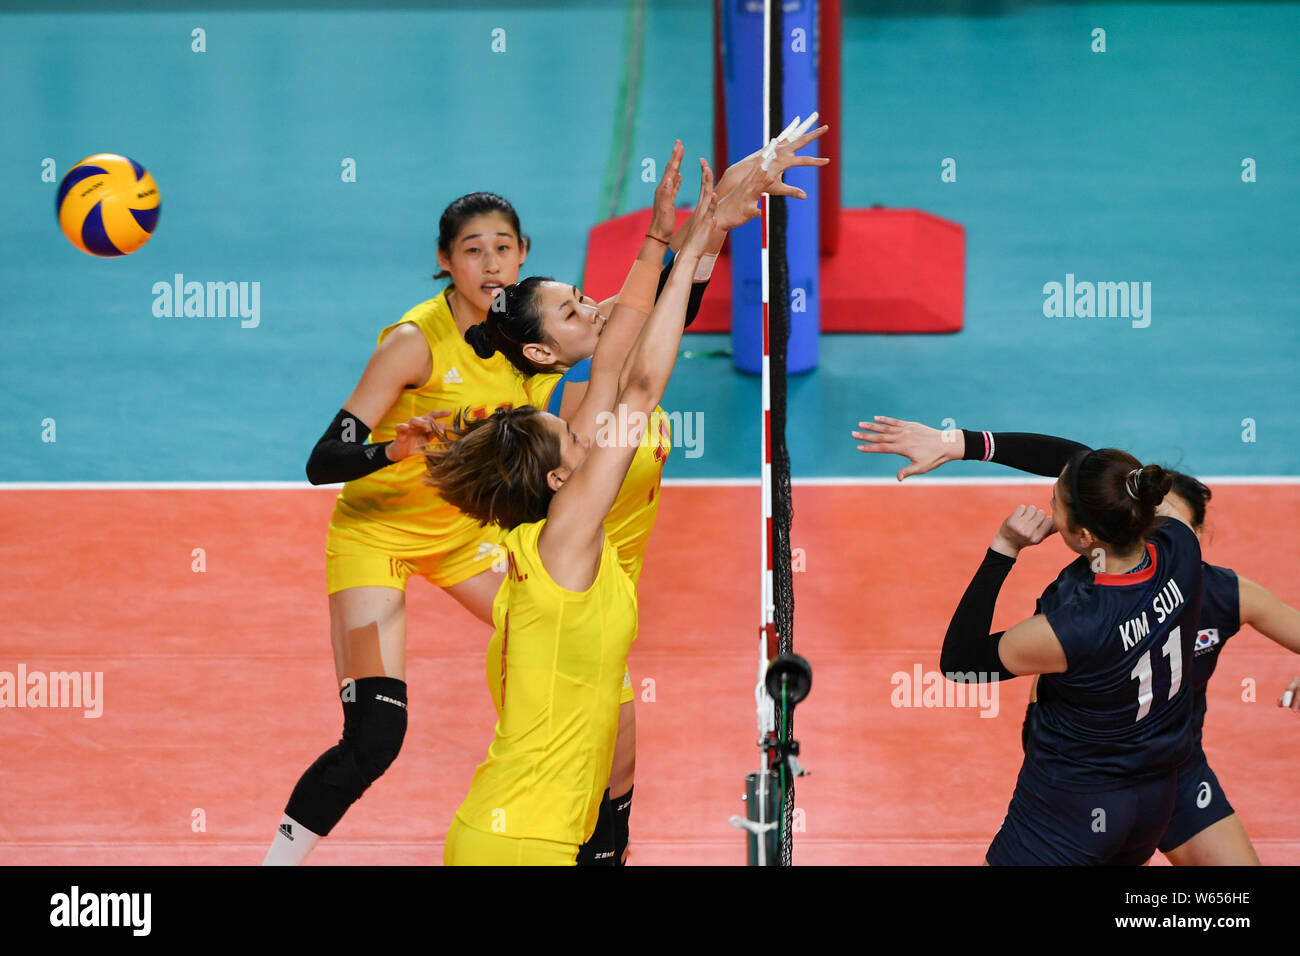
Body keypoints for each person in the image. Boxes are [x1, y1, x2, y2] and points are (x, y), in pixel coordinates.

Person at [261, 178, 699, 866]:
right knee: (375, 736)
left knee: (592, 662)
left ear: (523, 254)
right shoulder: (416, 344)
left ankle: (600, 841)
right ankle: (278, 861)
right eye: (472, 250)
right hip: (378, 538)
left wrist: (700, 236)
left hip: (469, 538)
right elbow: (322, 460)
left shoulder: (536, 331)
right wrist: (395, 449)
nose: (490, 263)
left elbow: (643, 320)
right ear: (445, 261)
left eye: (502, 248)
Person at [467, 126, 829, 863]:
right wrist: (695, 236)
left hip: (595, 612)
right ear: (541, 353)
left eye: (585, 298)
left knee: (613, 789)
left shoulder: (578, 380)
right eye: (575, 312)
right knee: (595, 798)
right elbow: (638, 370)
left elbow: (652, 310)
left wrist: (698, 222)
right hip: (573, 622)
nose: (597, 309)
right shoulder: (564, 415)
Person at [854, 416, 1300, 864]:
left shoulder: (1071, 629)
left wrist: (1003, 548)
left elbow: (960, 662)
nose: (1050, 508)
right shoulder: (1181, 547)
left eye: (1055, 504)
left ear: (1084, 535)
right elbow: (1088, 467)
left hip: (1072, 805)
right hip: (1156, 795)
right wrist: (962, 444)